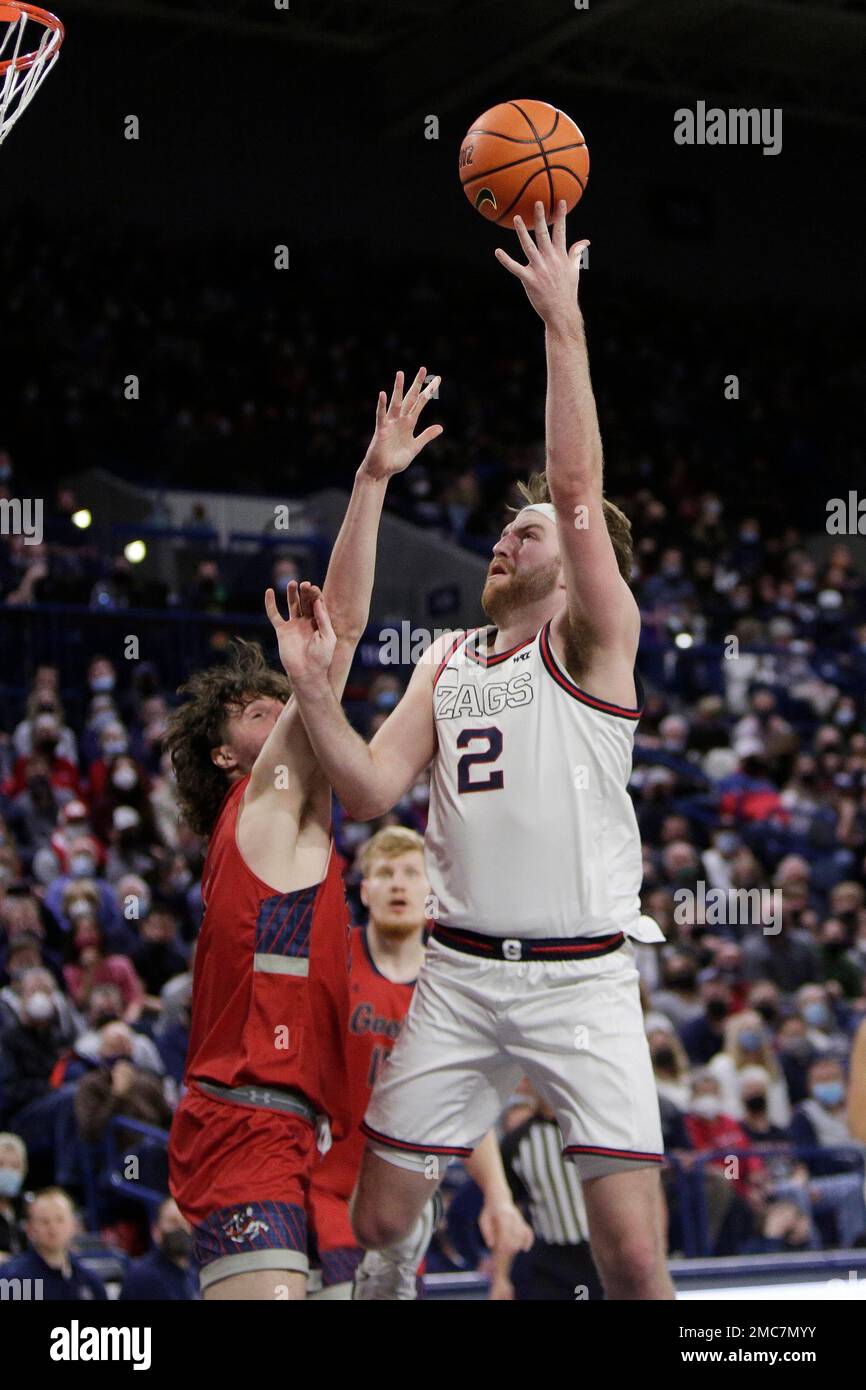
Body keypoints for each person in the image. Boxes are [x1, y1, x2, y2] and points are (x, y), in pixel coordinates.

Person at [281, 203, 672, 1300]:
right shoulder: (449, 657)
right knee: (377, 1216)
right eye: (506, 524)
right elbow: (363, 788)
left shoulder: (596, 641)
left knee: (632, 1258)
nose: (510, 533)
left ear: (575, 566)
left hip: (581, 977)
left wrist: (561, 323)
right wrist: (315, 692)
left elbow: (581, 493)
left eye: (531, 529)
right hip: (456, 972)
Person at [166, 368, 442, 1300]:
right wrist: (371, 481)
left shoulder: (295, 824)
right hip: (245, 1125)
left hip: (298, 1134)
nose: (284, 709)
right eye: (258, 709)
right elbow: (346, 629)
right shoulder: (266, 802)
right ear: (222, 757)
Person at [306, 826, 531, 1299]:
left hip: (401, 1201)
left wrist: (498, 1196)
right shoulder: (329, 961)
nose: (398, 884)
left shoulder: (453, 983)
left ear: (433, 892)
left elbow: (464, 1109)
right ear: (364, 890)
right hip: (320, 1187)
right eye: (384, 873)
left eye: (412, 873)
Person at [0, 1187, 107, 1299]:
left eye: (60, 1219)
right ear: (30, 1229)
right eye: (44, 1221)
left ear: (74, 1224)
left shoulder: (90, 1281)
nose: (53, 1228)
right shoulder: (13, 1280)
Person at [118, 1197, 198, 1300]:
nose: (181, 1229)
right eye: (173, 1222)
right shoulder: (143, 1277)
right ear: (156, 1232)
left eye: (185, 1222)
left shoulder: (196, 1273)